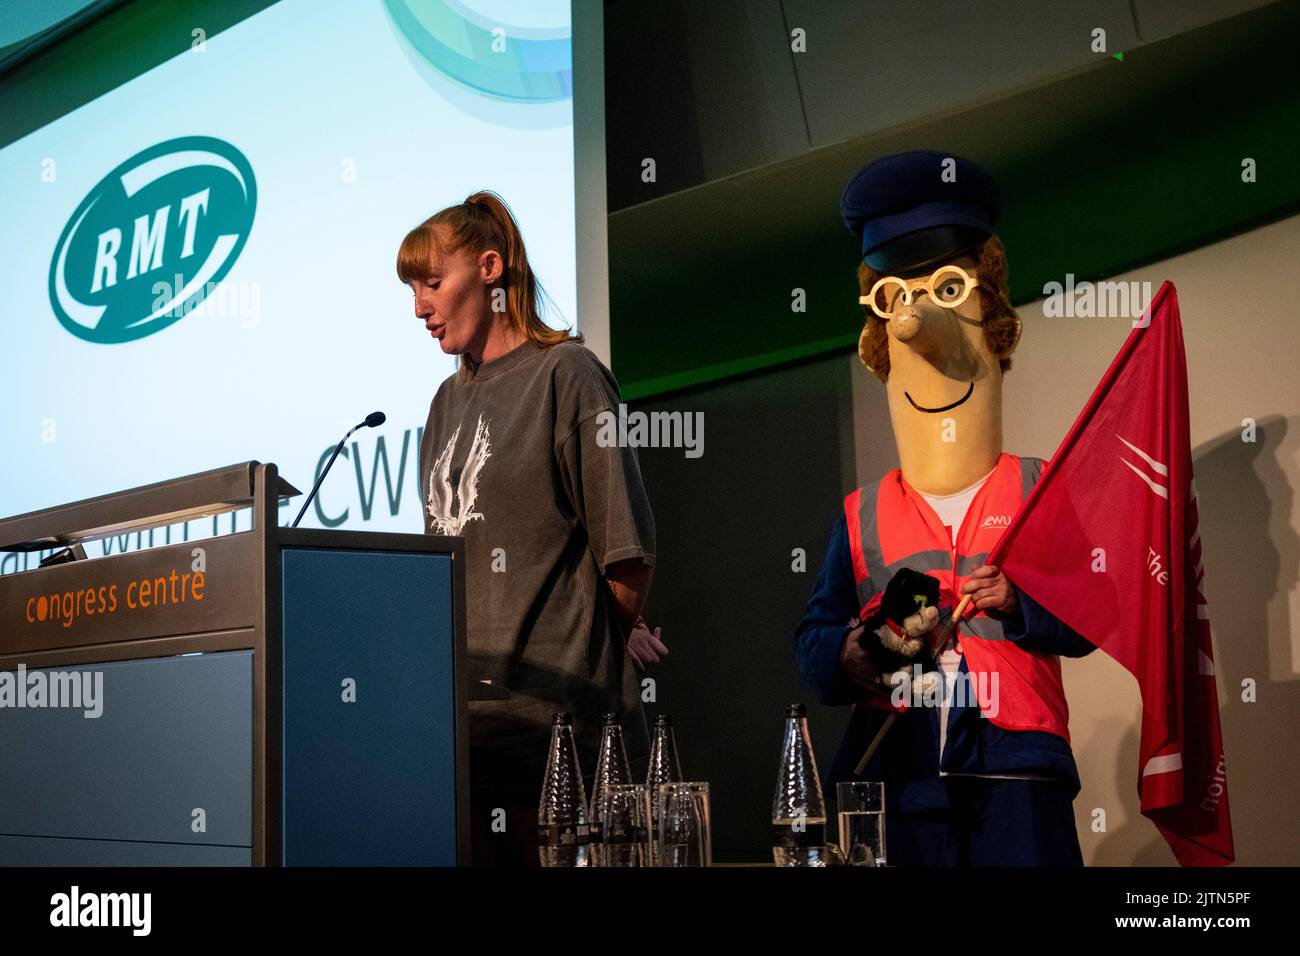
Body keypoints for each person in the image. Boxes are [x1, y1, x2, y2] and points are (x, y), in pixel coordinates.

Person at [794, 150, 1096, 866]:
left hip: (1017, 776)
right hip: (902, 781)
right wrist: (852, 652)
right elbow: (814, 640)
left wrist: (1021, 604)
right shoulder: (863, 513)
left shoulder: (1036, 485)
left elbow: (1094, 611)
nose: (911, 321)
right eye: (894, 298)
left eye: (947, 287)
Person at [396, 190, 667, 865]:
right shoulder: (443, 402)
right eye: (412, 290)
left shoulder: (567, 373)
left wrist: (597, 640)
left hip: (563, 744)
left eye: (432, 283)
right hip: (465, 741)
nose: (419, 307)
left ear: (490, 268)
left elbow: (627, 556)